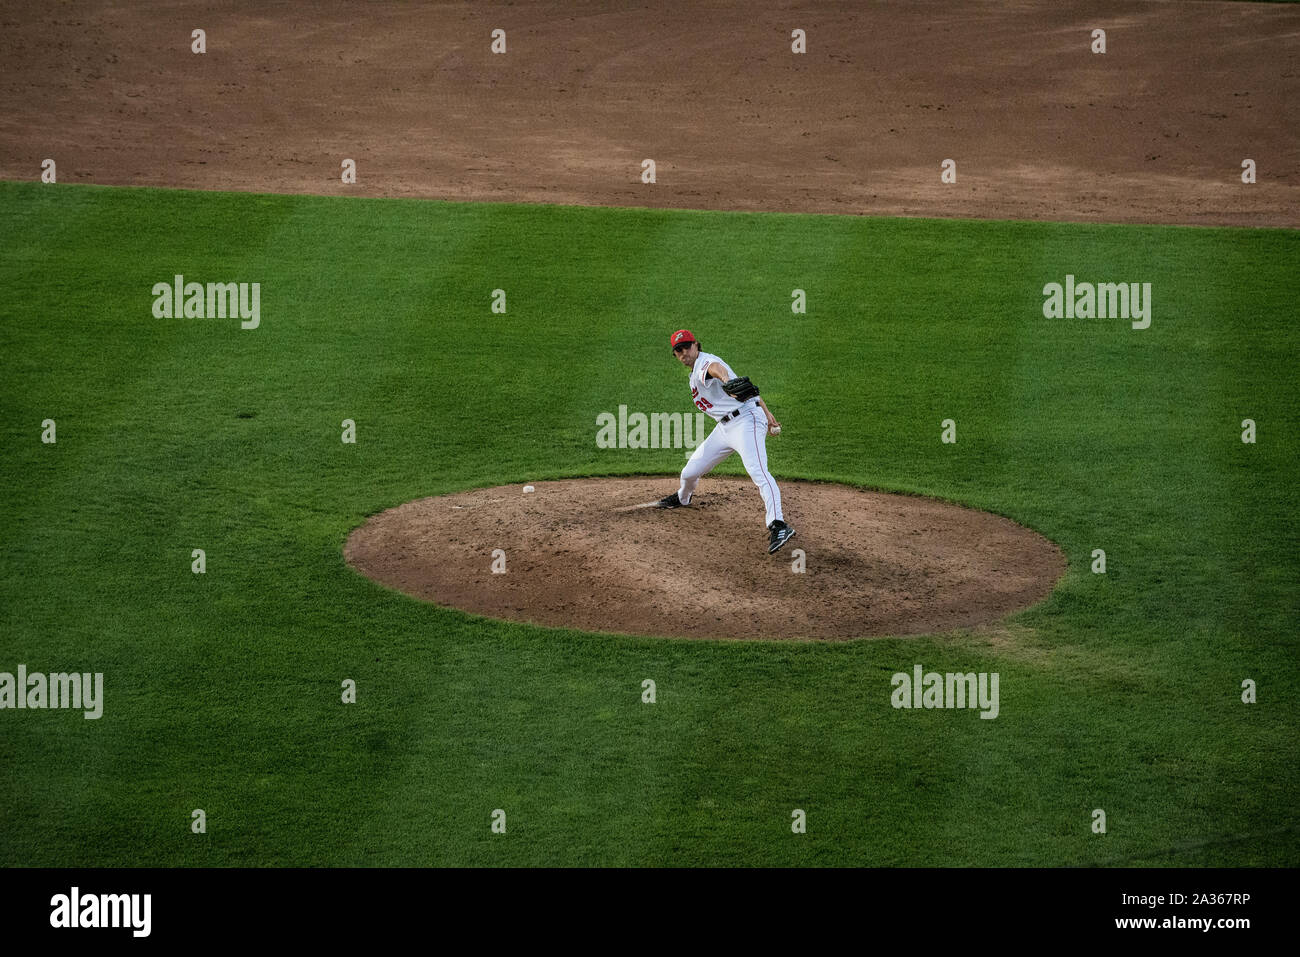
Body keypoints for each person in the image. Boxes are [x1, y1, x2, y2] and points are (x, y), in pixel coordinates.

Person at [656, 329, 796, 554]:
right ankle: (683, 498)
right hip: (725, 427)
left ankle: (779, 525)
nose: (684, 352)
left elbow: (717, 371)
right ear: (675, 355)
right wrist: (768, 413)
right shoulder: (694, 371)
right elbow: (751, 392)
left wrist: (727, 380)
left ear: (696, 346)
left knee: (758, 471)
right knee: (690, 471)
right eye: (678, 350)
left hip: (746, 423)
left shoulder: (705, 362)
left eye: (687, 347)